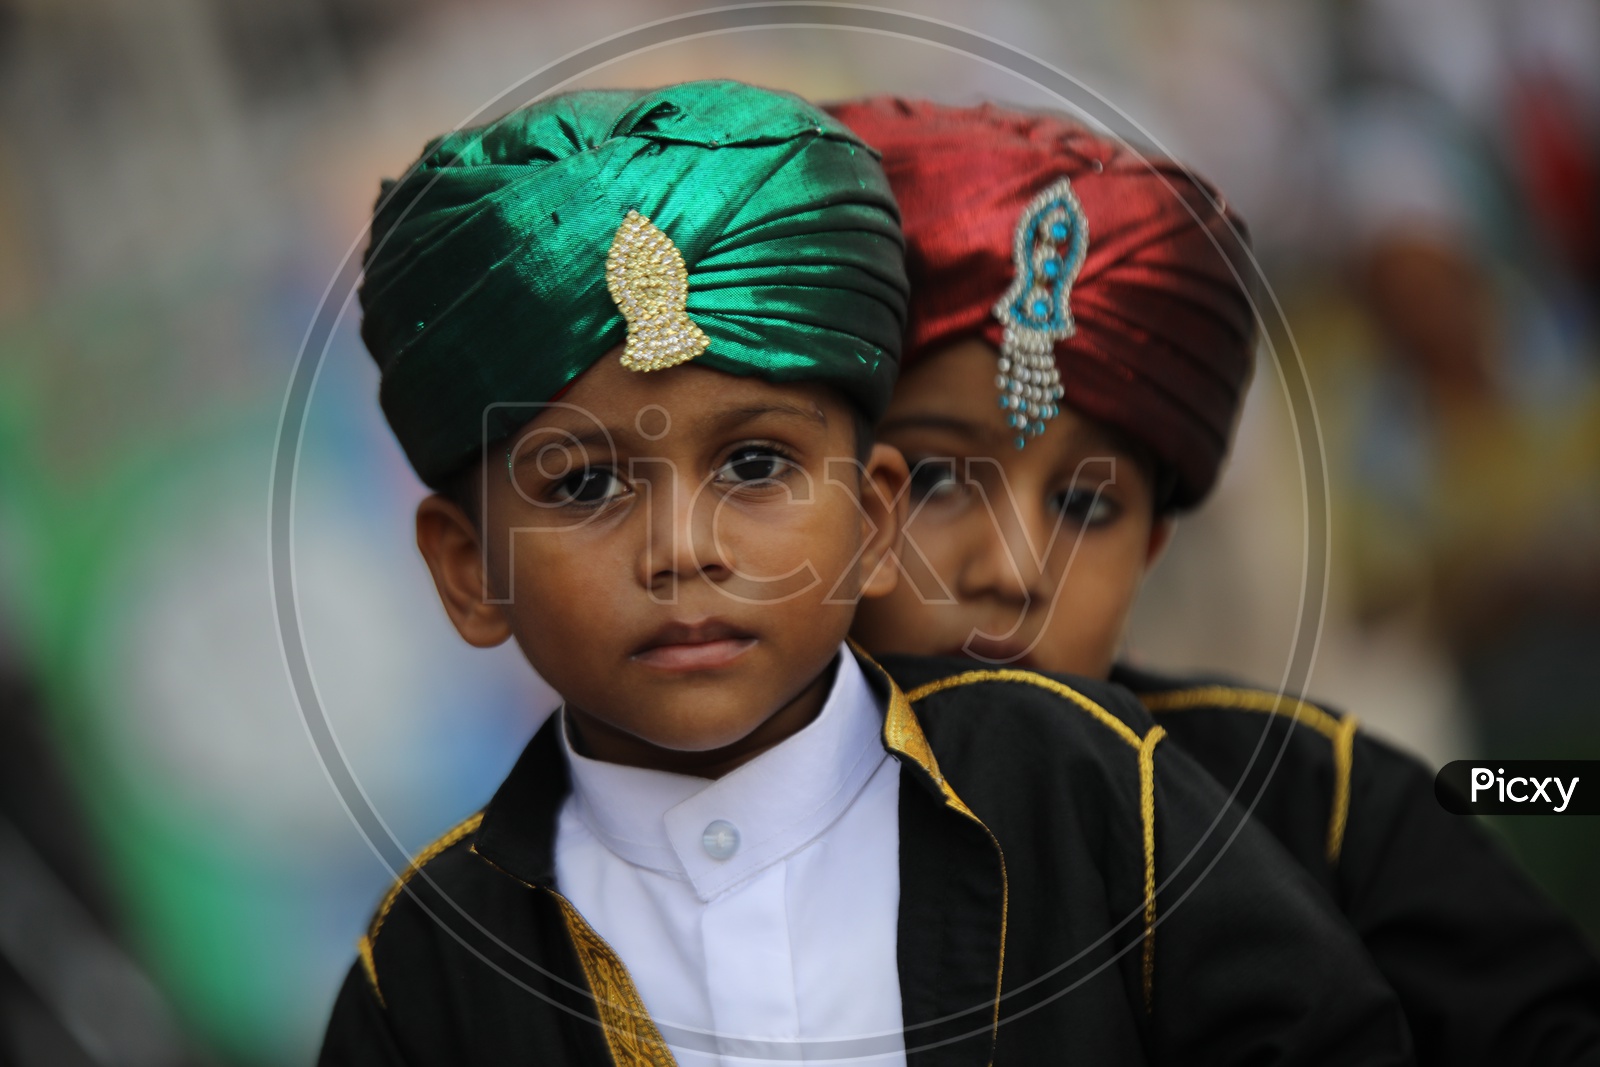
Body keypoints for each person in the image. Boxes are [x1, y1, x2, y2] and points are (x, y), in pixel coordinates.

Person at [316, 81, 1415, 1065]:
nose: (682, 548)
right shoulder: (429, 965)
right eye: (586, 485)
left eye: (754, 463)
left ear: (870, 515)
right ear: (469, 571)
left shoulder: (1076, 779)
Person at [831, 95, 1600, 1067]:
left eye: (1084, 506)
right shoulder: (635, 793)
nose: (1014, 569)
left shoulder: (1313, 804)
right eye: (937, 481)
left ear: (1149, 549)